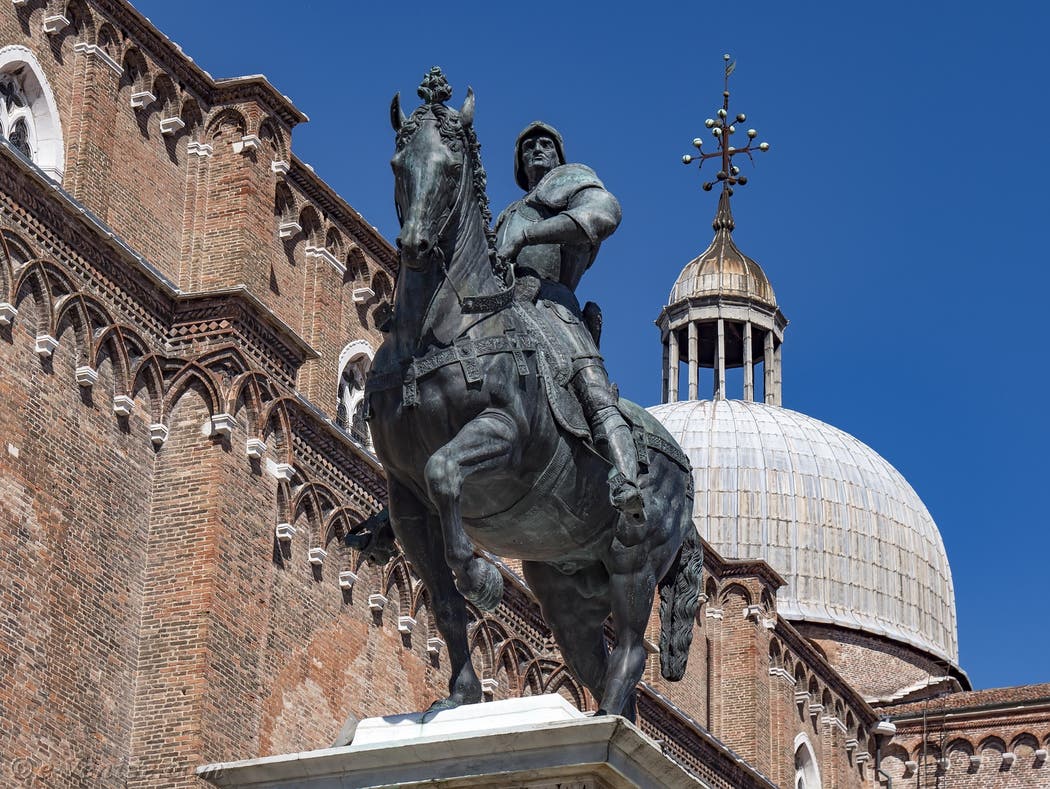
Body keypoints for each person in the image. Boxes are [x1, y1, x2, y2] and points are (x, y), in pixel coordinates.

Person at [495, 121, 645, 532]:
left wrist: (527, 236)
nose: (536, 151)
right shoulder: (508, 213)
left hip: (552, 305)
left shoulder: (571, 182)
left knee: (591, 387)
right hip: (505, 306)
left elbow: (604, 214)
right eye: (527, 147)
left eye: (545, 144)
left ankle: (625, 480)